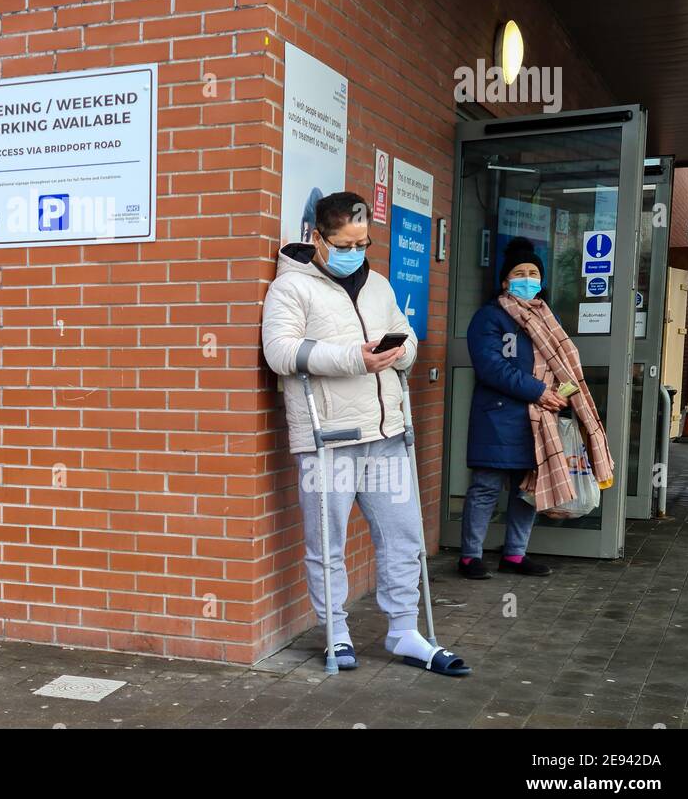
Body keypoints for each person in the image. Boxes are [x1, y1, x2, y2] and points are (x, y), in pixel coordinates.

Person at [262, 191, 471, 676]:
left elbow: (407, 334)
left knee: (403, 538)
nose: (356, 250)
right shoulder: (291, 288)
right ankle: (335, 634)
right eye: (345, 242)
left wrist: (401, 351)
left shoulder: (378, 284)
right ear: (317, 237)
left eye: (364, 242)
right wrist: (356, 357)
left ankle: (404, 631)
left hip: (388, 435)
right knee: (327, 543)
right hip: (327, 441)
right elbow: (281, 352)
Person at [459, 237, 611, 577]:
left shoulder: (547, 319)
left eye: (533, 273)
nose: (527, 278)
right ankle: (470, 556)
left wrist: (564, 394)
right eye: (519, 273)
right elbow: (491, 367)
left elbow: (564, 369)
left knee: (527, 489)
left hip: (539, 420)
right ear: (504, 281)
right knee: (486, 487)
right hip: (498, 417)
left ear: (541, 281)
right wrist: (539, 391)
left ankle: (514, 554)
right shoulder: (490, 318)